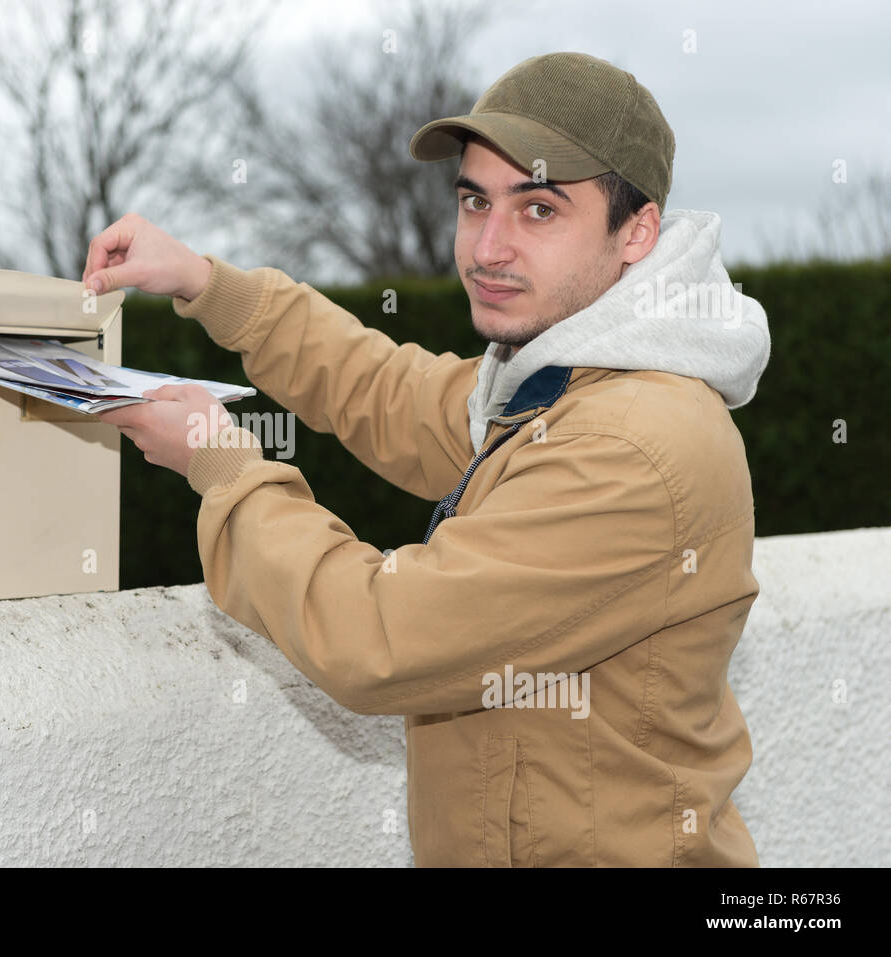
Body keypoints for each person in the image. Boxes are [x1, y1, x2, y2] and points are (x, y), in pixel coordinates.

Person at [84, 51, 770, 867]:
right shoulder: (570, 381)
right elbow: (393, 394)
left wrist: (222, 464)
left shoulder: (627, 445)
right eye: (476, 200)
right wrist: (207, 285)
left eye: (539, 210)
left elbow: (378, 639)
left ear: (638, 230)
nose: (488, 246)